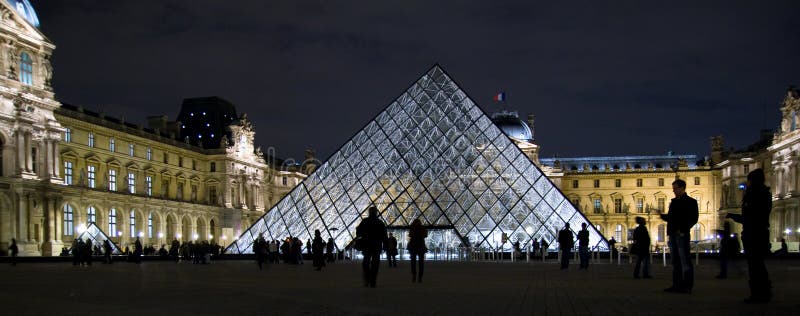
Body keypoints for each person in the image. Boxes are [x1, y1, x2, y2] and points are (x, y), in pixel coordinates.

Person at [727, 168, 773, 303]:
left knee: (755, 265)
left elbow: (751, 217)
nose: (746, 183)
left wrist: (736, 217)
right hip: (758, 232)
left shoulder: (755, 195)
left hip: (754, 234)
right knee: (758, 265)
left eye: (748, 180)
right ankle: (763, 292)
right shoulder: (763, 194)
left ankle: (759, 294)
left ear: (753, 181)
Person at [660, 179, 698, 294]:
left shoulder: (691, 202)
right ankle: (677, 285)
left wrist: (683, 230)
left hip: (681, 235)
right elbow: (671, 218)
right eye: (673, 188)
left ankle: (687, 286)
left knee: (685, 261)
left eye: (675, 188)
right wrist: (661, 215)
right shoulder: (674, 202)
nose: (673, 190)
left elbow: (694, 218)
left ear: (682, 188)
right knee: (675, 261)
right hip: (672, 234)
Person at [355, 206, 388, 287]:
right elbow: (384, 236)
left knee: (366, 263)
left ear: (369, 212)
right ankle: (373, 280)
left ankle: (367, 278)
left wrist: (363, 234)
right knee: (375, 264)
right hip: (376, 246)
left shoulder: (365, 221)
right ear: (376, 212)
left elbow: (358, 232)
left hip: (367, 245)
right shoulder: (380, 222)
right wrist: (385, 246)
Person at [408, 219, 428, 283]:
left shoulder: (412, 228)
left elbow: (410, 235)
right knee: (420, 263)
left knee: (414, 262)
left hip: (414, 247)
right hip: (420, 247)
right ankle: (419, 277)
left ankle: (415, 276)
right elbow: (425, 235)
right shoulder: (422, 228)